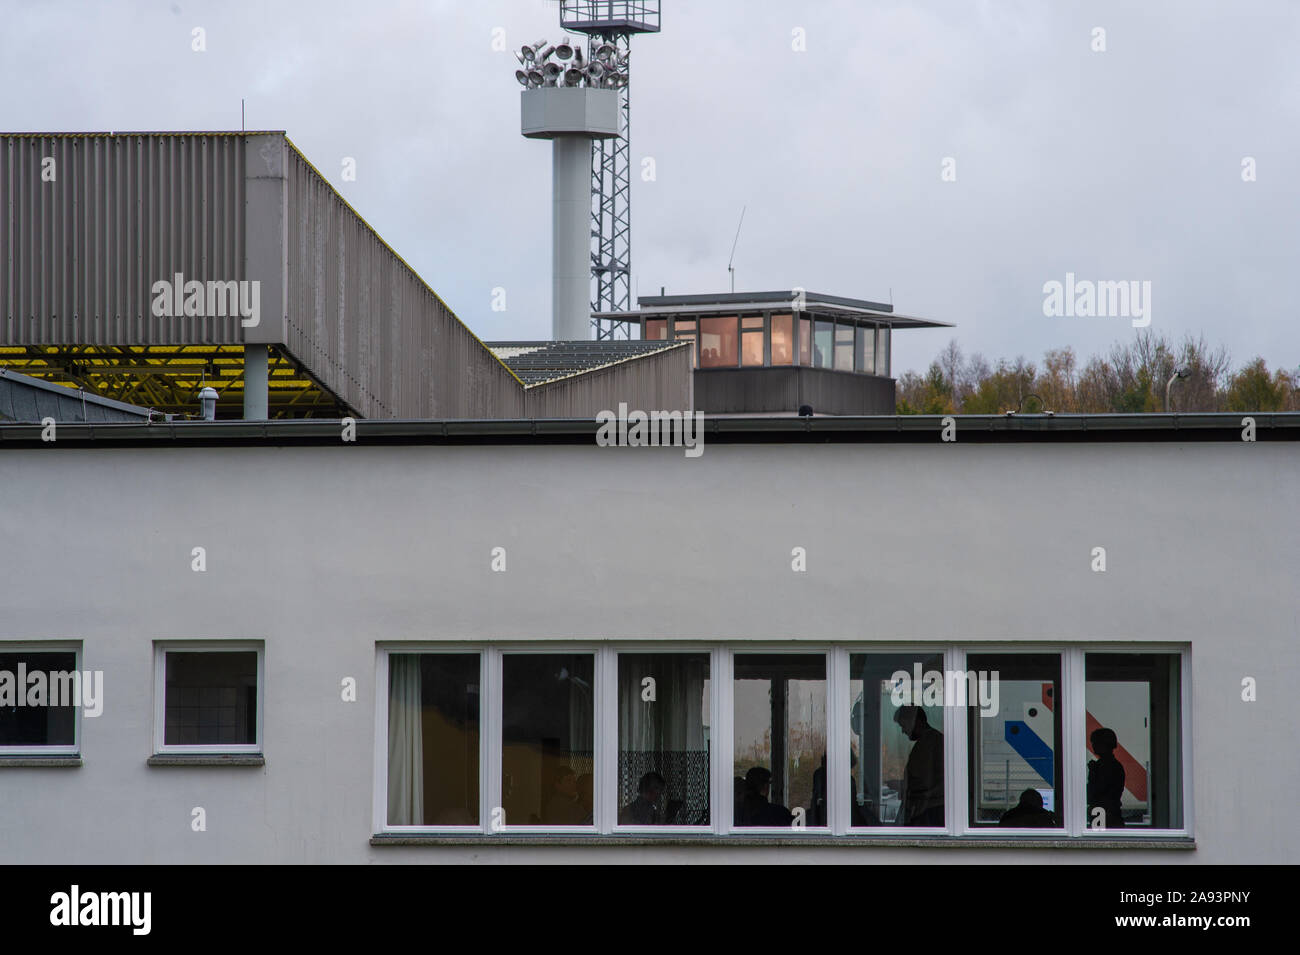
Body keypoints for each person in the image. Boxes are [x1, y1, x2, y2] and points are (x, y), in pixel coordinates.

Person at [893, 705, 944, 827]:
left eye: (903, 725)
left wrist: (901, 786)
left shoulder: (929, 743)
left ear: (916, 722)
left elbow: (925, 782)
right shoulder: (931, 740)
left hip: (928, 812)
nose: (903, 731)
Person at [1087, 727, 1126, 829]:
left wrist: (1093, 773)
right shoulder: (1113, 765)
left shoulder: (1107, 766)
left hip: (1104, 814)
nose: (1093, 746)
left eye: (1095, 742)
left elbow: (1096, 790)